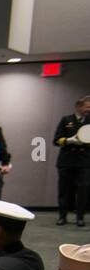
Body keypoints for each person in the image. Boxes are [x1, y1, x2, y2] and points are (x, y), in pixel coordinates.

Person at [53, 96, 90, 227]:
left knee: (83, 191)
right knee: (64, 190)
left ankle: (80, 217)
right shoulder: (66, 120)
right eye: (87, 107)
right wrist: (70, 140)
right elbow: (56, 140)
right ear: (79, 106)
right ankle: (62, 216)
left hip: (84, 162)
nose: (89, 110)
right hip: (66, 161)